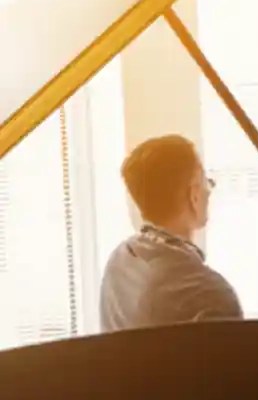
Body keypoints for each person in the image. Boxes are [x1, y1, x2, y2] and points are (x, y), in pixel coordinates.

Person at [99, 134, 241, 332]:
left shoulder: (118, 261)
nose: (209, 190)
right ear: (194, 195)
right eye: (206, 181)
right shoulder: (209, 294)